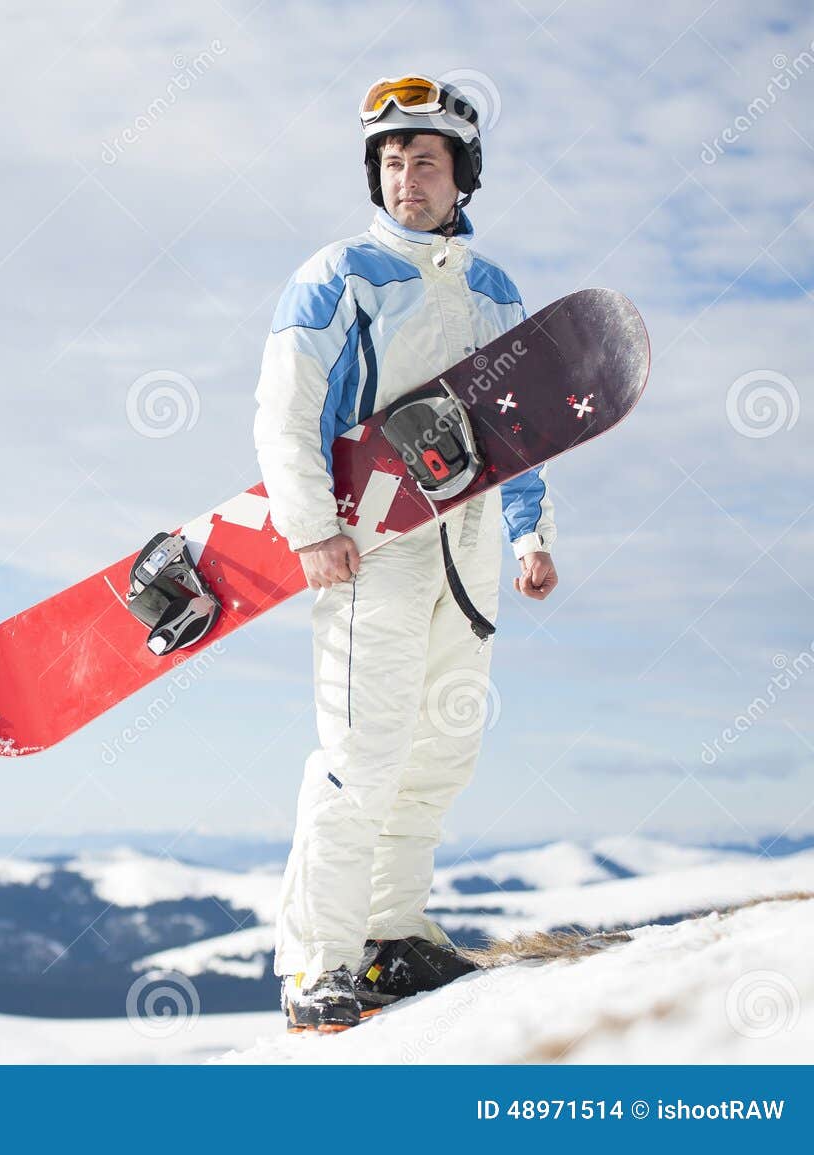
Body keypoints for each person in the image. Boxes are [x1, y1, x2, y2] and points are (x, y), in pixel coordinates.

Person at [252, 75, 558, 1033]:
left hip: (470, 546)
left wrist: (530, 533)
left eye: (425, 161)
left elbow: (519, 428)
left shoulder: (494, 289)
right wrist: (311, 527)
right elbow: (285, 411)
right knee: (362, 755)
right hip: (371, 543)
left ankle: (388, 937)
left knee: (440, 752)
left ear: (462, 174)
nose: (405, 178)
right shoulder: (338, 274)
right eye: (390, 161)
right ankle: (319, 963)